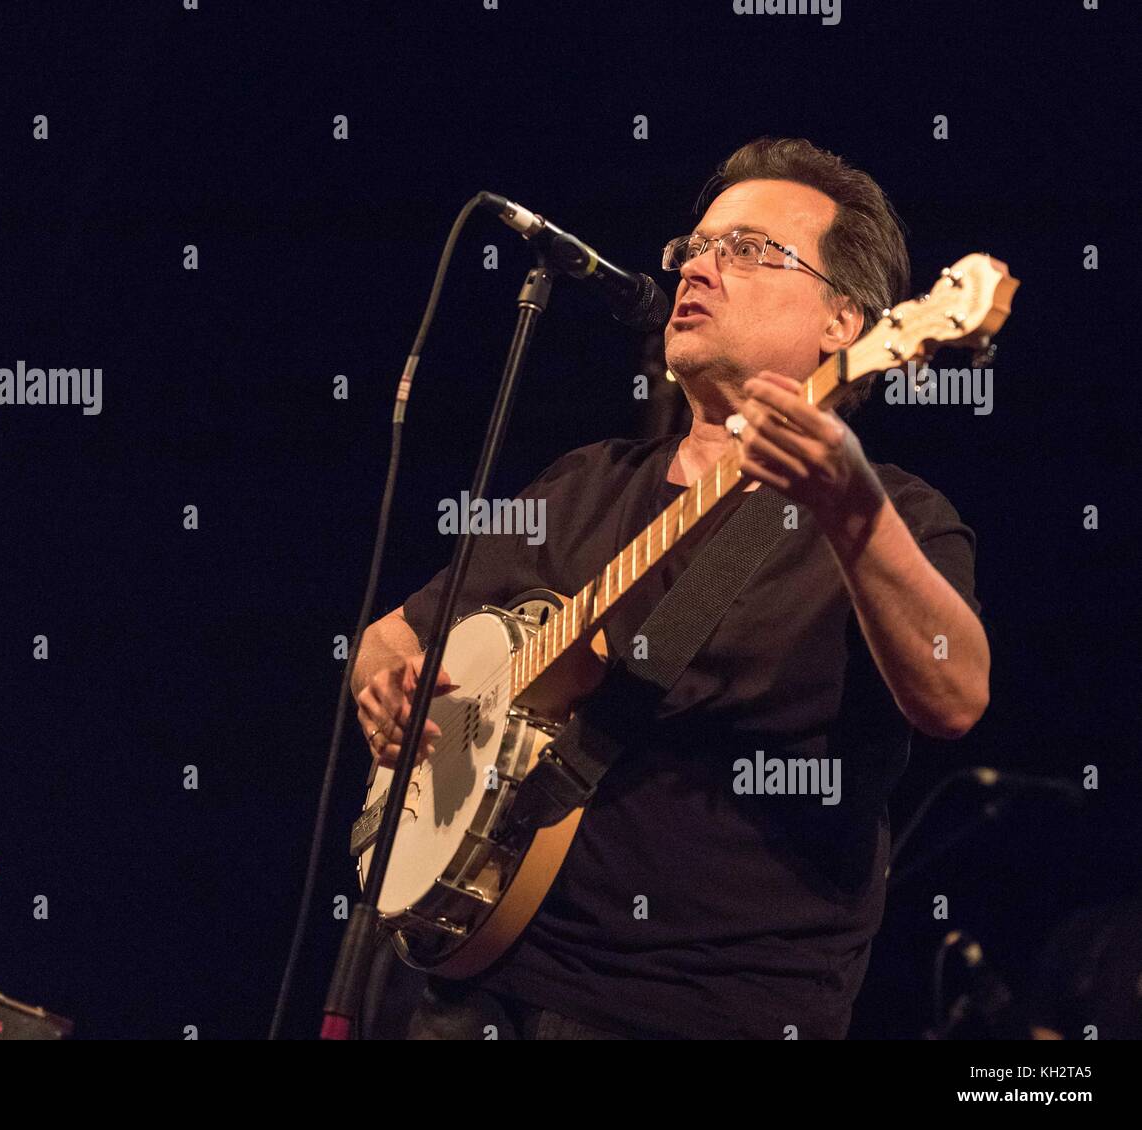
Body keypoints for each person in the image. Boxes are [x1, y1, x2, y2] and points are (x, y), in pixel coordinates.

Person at [351, 137, 989, 1039]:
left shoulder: (900, 516)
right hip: (469, 985)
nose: (701, 267)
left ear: (848, 324)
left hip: (701, 1007)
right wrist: (388, 694)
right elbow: (389, 637)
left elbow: (956, 695)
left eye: (750, 249)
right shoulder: (583, 483)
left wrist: (850, 509)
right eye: (695, 247)